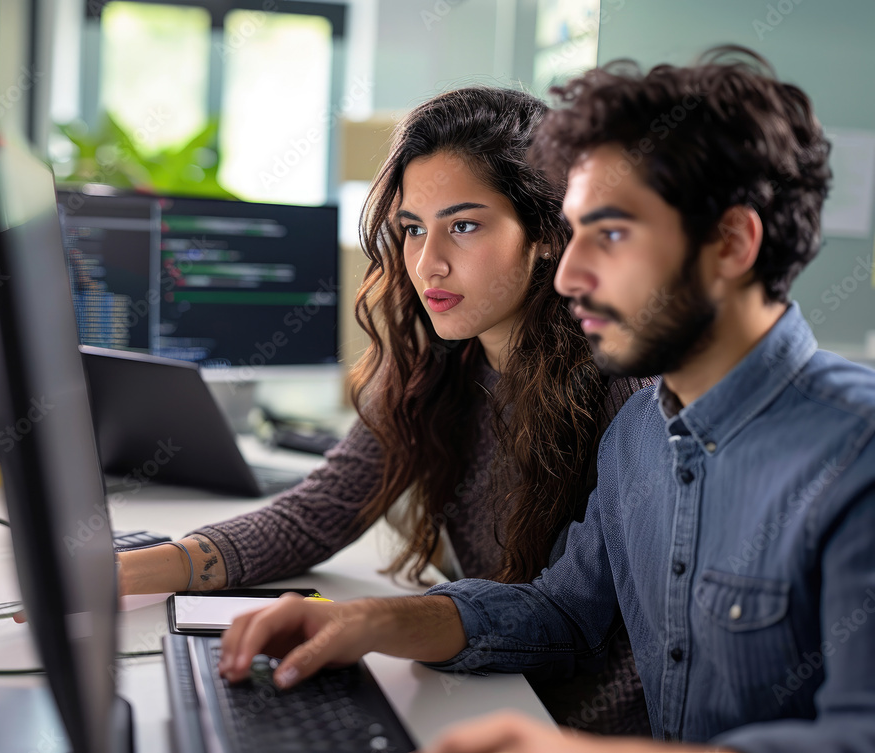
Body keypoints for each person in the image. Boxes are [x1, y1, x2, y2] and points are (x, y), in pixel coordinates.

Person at [216, 48, 875, 752]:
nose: (568, 274)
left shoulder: (856, 453)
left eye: (611, 234)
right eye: (575, 232)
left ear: (732, 242)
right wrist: (370, 622)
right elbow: (560, 612)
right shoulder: (642, 432)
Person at [117, 86, 653, 733]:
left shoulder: (628, 388)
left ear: (544, 232)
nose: (428, 264)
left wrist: (375, 622)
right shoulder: (439, 359)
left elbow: (570, 618)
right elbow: (323, 509)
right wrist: (128, 571)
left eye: (464, 225)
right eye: (412, 229)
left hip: (575, 728)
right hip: (485, 688)